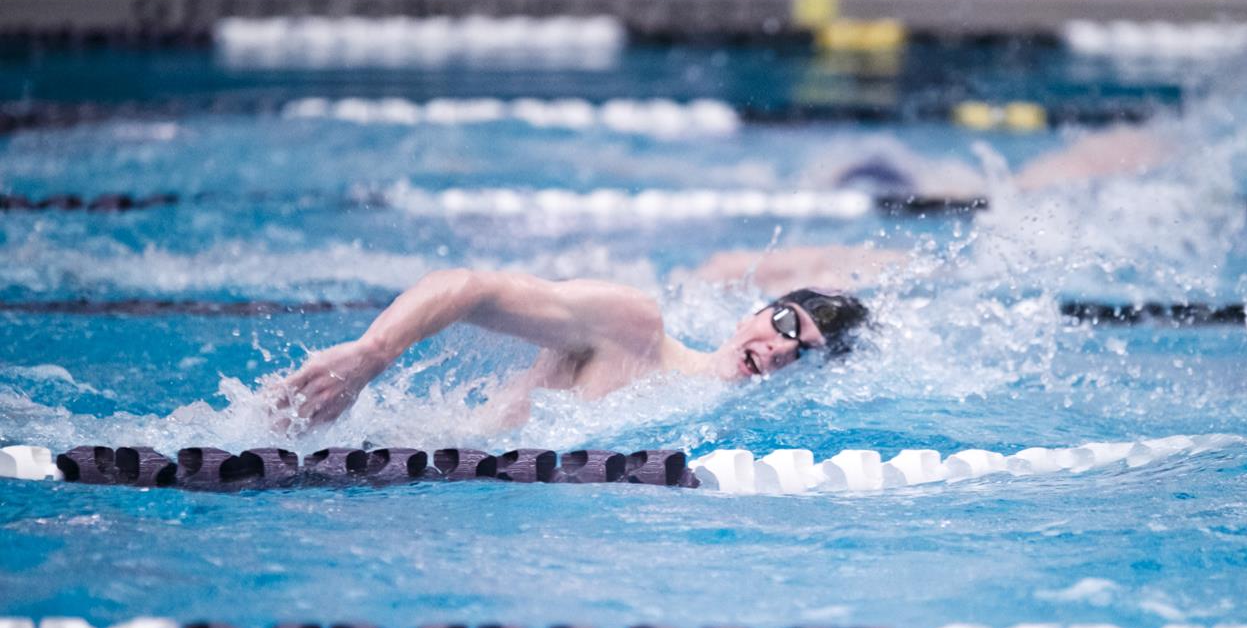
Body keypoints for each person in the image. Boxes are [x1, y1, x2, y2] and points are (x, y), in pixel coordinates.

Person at [272, 269, 869, 428]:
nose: (782, 350)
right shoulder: (633, 328)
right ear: (759, 309)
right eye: (788, 325)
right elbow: (473, 287)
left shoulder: (730, 434)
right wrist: (372, 355)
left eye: (807, 354)